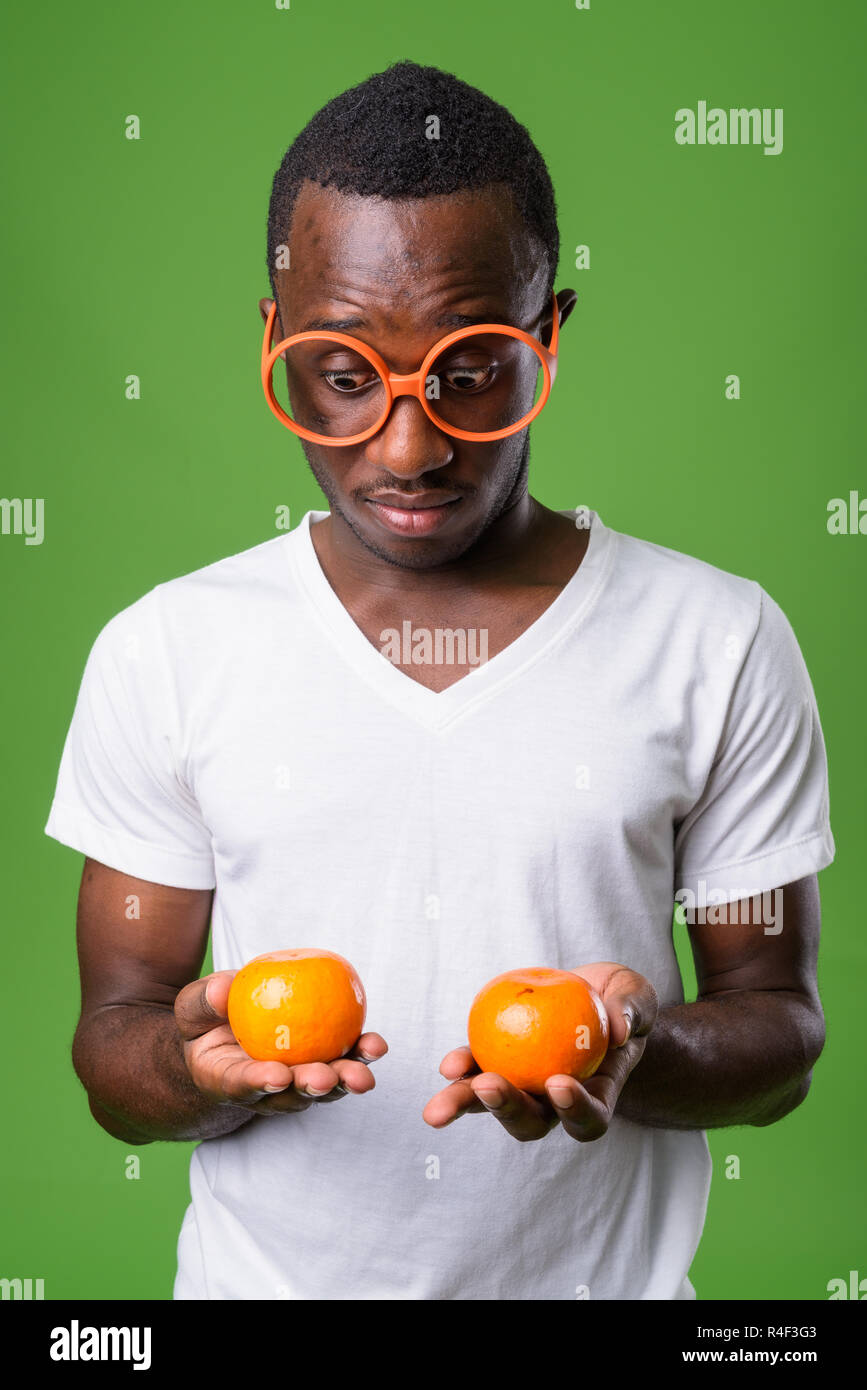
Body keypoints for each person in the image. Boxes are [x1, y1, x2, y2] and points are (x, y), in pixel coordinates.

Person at [45, 60, 834, 1301]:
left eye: (470, 369)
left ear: (549, 335)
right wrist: (194, 1073)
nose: (408, 450)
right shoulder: (168, 649)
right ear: (276, 345)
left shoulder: (717, 636)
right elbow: (114, 1045)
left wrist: (636, 1049)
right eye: (345, 374)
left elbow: (780, 1028)